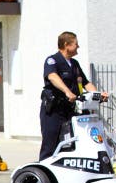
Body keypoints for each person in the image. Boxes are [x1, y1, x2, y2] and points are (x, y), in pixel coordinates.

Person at [39, 31, 108, 161]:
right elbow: (52, 76)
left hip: (70, 109)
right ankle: (44, 175)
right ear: (66, 45)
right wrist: (67, 91)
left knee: (71, 143)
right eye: (76, 44)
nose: (78, 47)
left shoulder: (74, 64)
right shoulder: (53, 60)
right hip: (54, 110)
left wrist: (99, 95)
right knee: (50, 144)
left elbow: (86, 83)